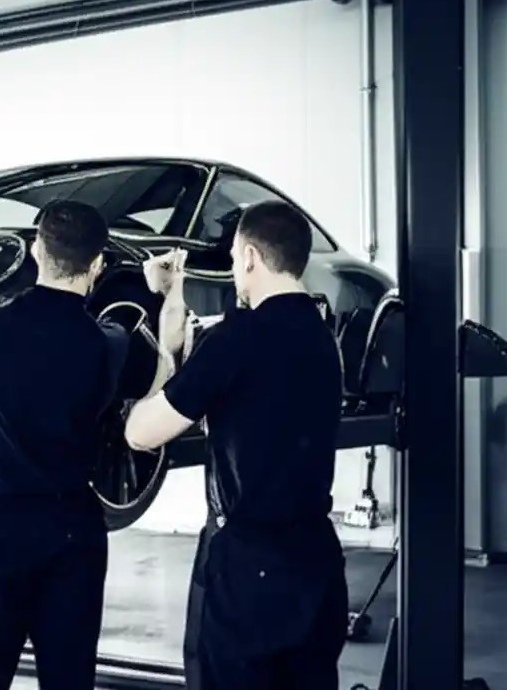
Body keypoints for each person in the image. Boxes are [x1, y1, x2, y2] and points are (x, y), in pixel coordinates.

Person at [124, 200, 347, 689]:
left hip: (249, 570)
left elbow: (141, 433)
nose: (232, 272)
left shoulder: (238, 339)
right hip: (317, 563)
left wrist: (165, 348)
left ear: (249, 257)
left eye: (230, 260)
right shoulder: (322, 338)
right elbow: (248, 398)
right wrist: (176, 300)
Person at [0, 199, 130, 690]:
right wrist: (165, 296)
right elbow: (150, 374)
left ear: (36, 249)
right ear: (97, 264)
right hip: (72, 525)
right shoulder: (105, 343)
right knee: (69, 676)